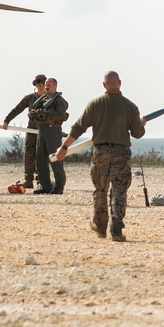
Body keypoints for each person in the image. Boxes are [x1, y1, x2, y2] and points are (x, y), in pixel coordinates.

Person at [56, 71, 145, 242]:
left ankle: (100, 226)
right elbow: (137, 133)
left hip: (101, 152)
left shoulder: (95, 104)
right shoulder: (131, 107)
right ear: (120, 83)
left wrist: (64, 147)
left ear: (104, 85)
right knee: (119, 191)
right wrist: (141, 124)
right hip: (121, 153)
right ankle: (116, 230)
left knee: (100, 189)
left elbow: (78, 127)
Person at [1, 74, 48, 189]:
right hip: (31, 130)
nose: (41, 86)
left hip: (45, 131)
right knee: (28, 154)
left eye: (43, 84)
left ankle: (41, 181)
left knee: (42, 155)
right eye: (38, 84)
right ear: (35, 85)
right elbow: (17, 109)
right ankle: (28, 180)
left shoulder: (51, 99)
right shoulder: (30, 98)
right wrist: (6, 121)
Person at [30, 77, 69, 194]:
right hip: (42, 130)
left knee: (56, 159)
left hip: (53, 131)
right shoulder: (42, 100)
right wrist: (34, 114)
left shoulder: (60, 101)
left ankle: (59, 187)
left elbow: (59, 115)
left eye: (49, 85)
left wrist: (44, 113)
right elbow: (36, 113)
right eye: (46, 85)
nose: (46, 87)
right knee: (40, 159)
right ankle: (45, 186)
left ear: (55, 86)